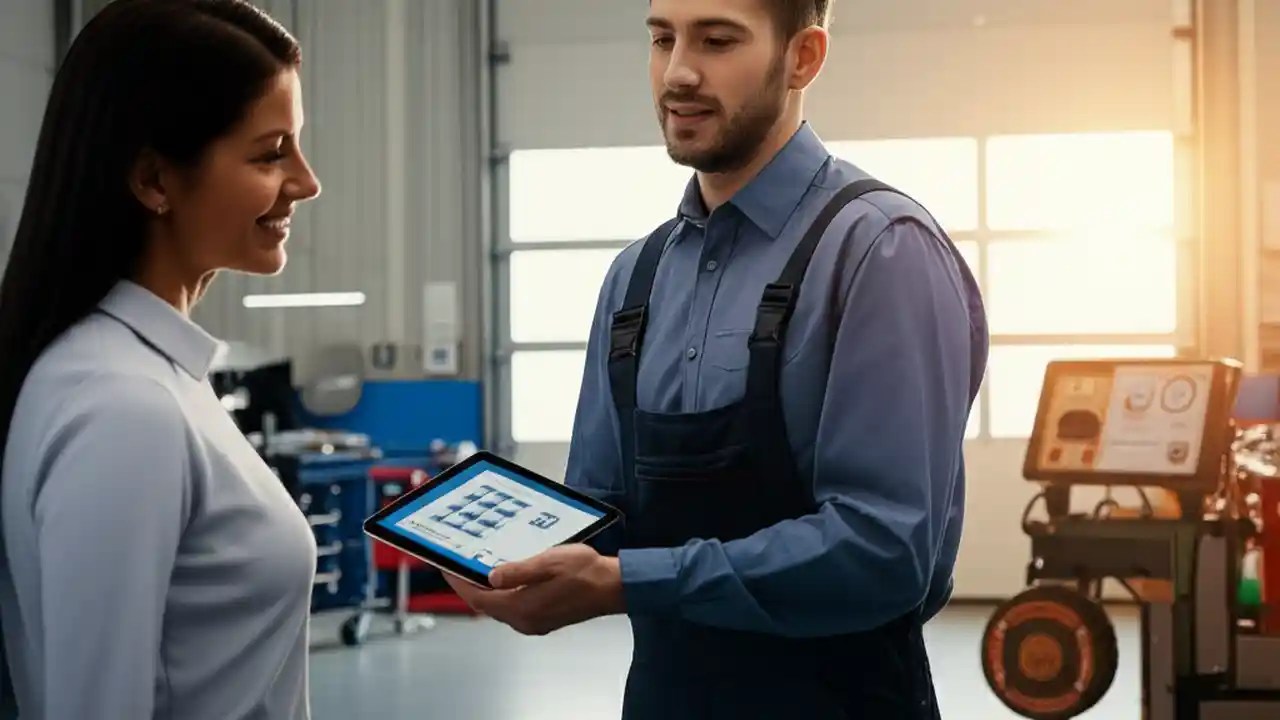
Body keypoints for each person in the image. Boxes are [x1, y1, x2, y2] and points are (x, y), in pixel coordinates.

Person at [444, 0, 987, 717]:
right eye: (662, 39)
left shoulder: (879, 251)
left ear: (803, 57)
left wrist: (628, 582)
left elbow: (884, 552)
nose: (678, 73)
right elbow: (605, 513)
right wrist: (505, 550)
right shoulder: (635, 278)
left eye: (717, 40)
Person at [0, 1, 322, 718]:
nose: (306, 182)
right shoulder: (123, 408)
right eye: (271, 154)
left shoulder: (149, 375)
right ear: (154, 180)